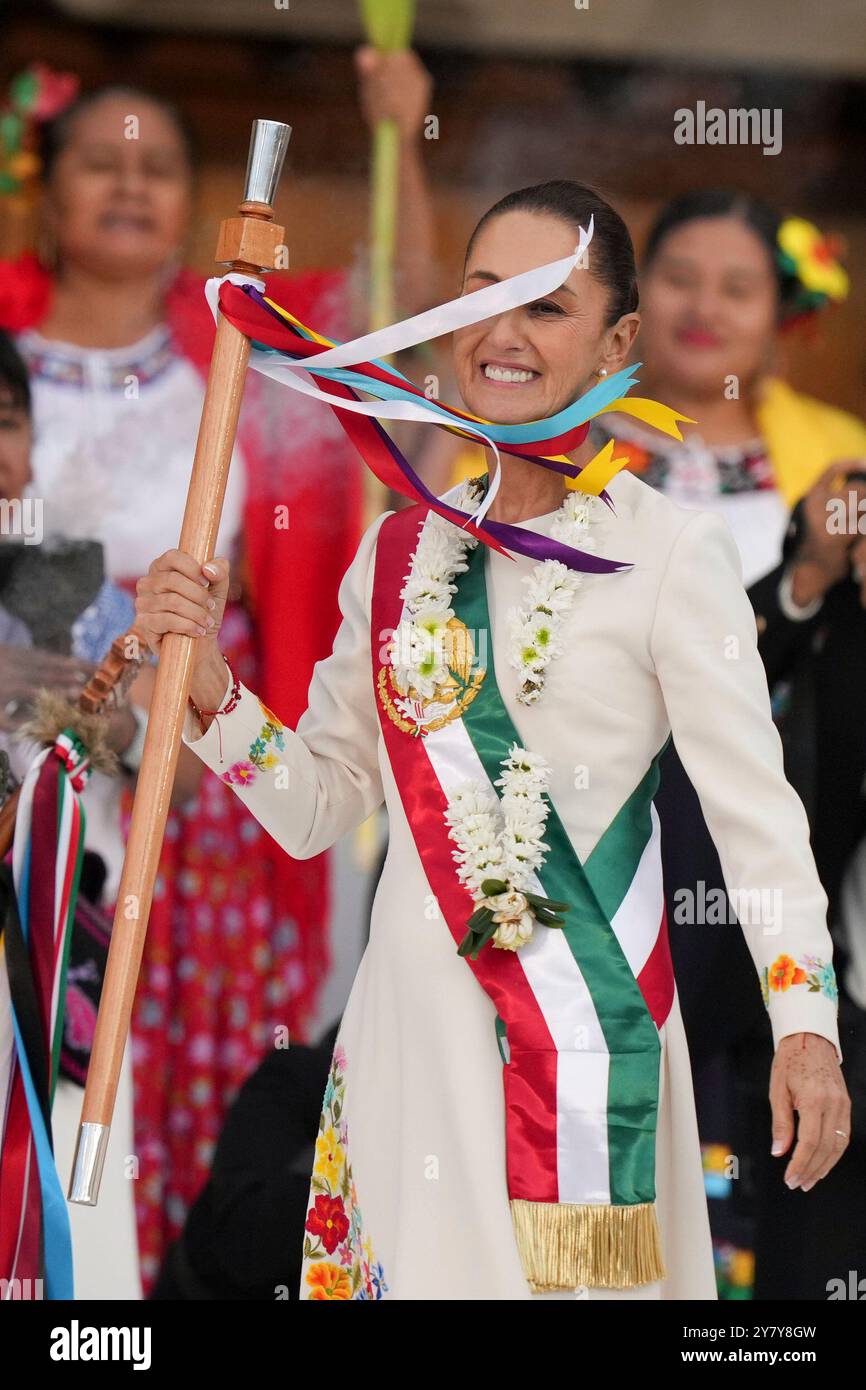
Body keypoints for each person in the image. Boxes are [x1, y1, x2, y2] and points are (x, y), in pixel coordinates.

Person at [133, 180, 849, 1301]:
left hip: (579, 1051)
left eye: (546, 306)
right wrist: (213, 694)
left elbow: (757, 824)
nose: (504, 333)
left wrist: (805, 1027)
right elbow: (319, 802)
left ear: (618, 340)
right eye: (483, 296)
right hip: (406, 1045)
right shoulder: (395, 553)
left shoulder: (669, 551)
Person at [0, 55, 435, 1289]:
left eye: (156, 168)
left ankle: (161, 1282)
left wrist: (405, 141)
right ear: (45, 194)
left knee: (177, 1039)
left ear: (196, 203)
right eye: (100, 162)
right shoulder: (3, 354)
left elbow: (409, 328)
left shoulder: (239, 350)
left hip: (190, 753)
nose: (130, 186)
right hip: (23, 740)